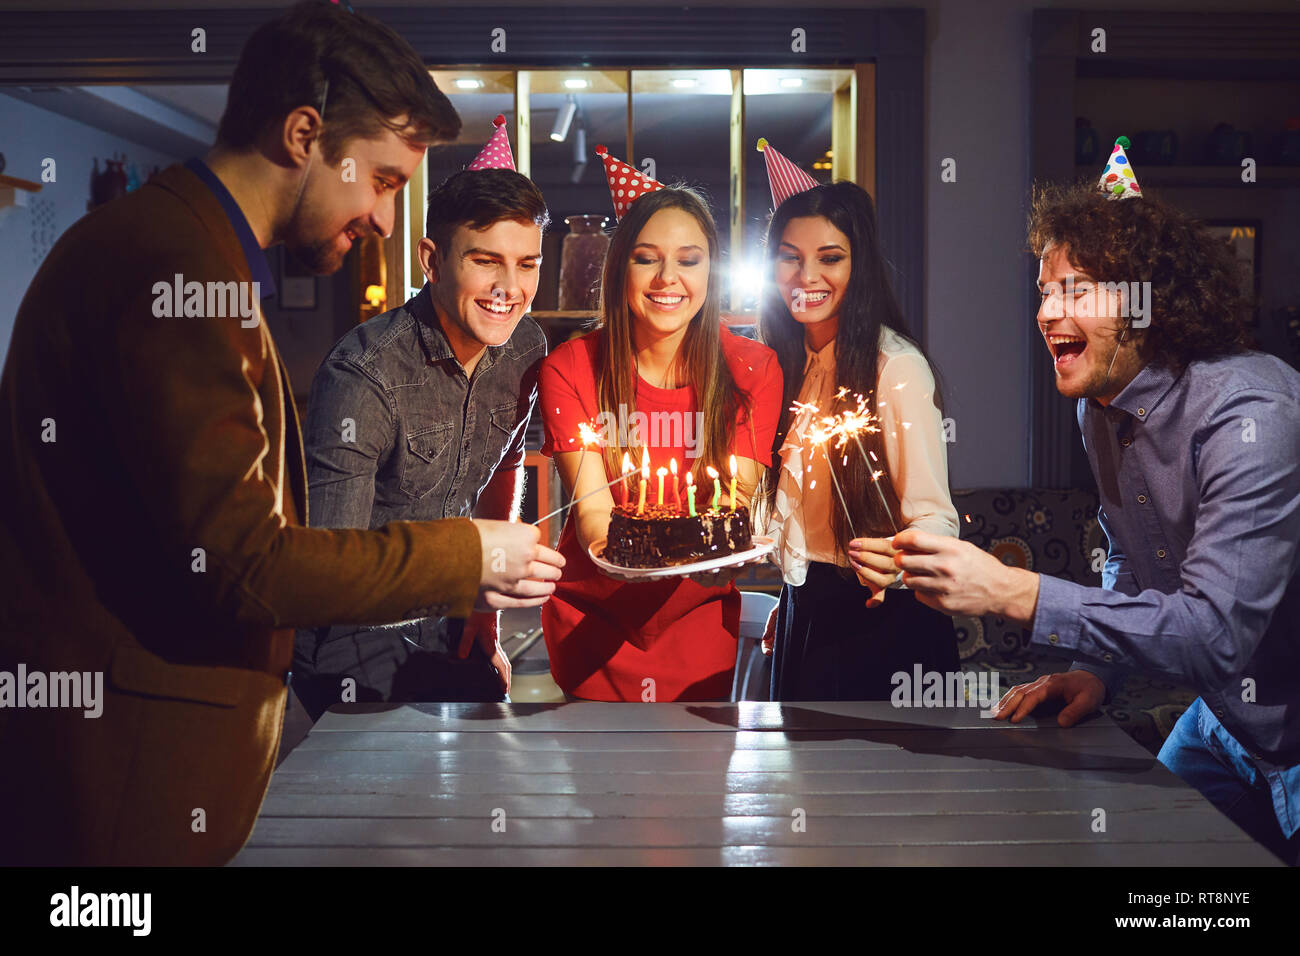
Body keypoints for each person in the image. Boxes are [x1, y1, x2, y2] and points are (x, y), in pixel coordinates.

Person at [0, 1, 562, 866]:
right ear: (304, 135)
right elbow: (244, 564)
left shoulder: (197, 252)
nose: (380, 216)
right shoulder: (175, 262)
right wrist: (467, 557)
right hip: (123, 780)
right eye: (377, 180)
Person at [892, 139, 1300, 864]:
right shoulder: (1100, 408)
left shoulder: (1251, 411)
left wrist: (1013, 590)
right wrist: (1097, 672)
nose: (1048, 312)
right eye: (1044, 290)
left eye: (1075, 289)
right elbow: (1133, 557)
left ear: (1151, 302)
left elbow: (1214, 635)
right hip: (1225, 723)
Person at [293, 119, 549, 719]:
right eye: (486, 261)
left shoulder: (525, 346)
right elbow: (332, 571)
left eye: (528, 264)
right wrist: (466, 571)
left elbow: (505, 467)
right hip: (349, 648)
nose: (508, 290)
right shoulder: (363, 375)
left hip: (454, 628)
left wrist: (483, 620)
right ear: (431, 259)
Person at [537, 147, 783, 701]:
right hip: (590, 624)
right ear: (619, 266)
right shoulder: (569, 367)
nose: (667, 278)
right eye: (646, 258)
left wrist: (714, 558)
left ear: (710, 269)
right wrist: (628, 560)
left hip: (698, 621)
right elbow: (594, 515)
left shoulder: (753, 368)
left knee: (694, 784)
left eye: (689, 260)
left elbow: (733, 502)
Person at [753, 141, 959, 701]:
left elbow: (937, 519)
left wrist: (896, 559)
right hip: (802, 608)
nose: (806, 274)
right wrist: (788, 600)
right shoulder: (784, 367)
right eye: (790, 256)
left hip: (881, 621)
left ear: (859, 264)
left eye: (830, 257)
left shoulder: (896, 369)